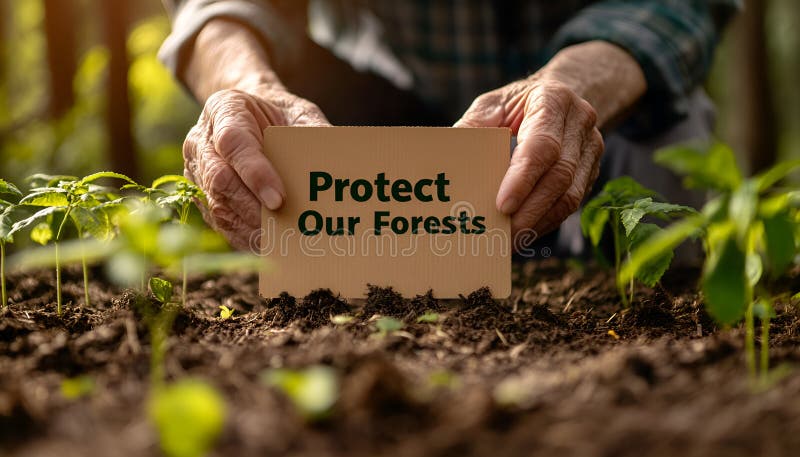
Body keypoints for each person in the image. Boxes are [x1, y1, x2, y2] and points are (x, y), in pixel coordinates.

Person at [159, 0, 739, 253]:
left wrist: (578, 83)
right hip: (375, 99)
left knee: (669, 146)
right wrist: (245, 86)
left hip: (594, 101)